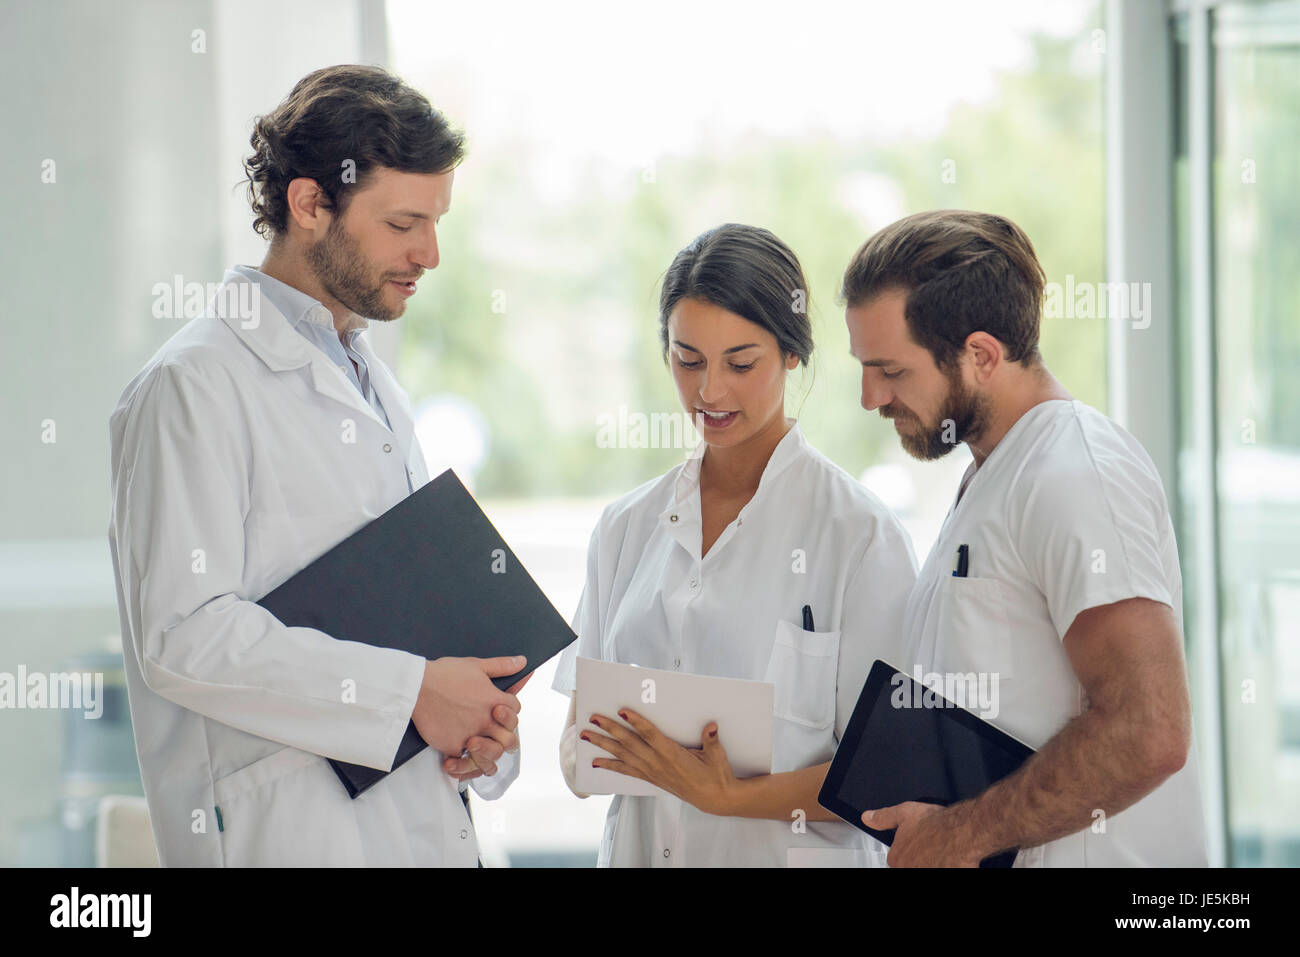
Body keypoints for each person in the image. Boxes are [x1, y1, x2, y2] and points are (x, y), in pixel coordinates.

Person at [107, 65, 525, 867]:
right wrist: (410, 694)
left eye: (436, 222)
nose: (430, 253)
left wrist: (471, 716)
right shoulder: (190, 385)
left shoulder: (376, 387)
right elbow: (181, 633)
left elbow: (407, 621)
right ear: (309, 204)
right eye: (404, 222)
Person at [842, 209, 1208, 866]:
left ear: (981, 355)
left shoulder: (1076, 474)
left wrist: (960, 833)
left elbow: (1150, 729)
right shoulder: (990, 474)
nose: (871, 396)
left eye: (891, 371)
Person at [552, 223, 917, 867]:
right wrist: (584, 753)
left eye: (740, 363)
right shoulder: (624, 529)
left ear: (792, 354)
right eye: (686, 359)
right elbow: (579, 744)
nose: (709, 391)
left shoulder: (859, 536)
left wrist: (726, 796)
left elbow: (888, 778)